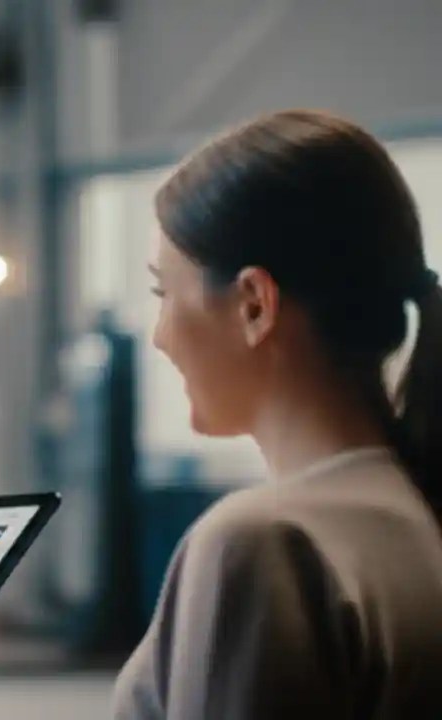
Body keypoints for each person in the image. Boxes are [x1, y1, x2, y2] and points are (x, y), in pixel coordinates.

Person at [113, 109, 442, 719]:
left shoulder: (260, 541)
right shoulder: (415, 513)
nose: (158, 337)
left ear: (254, 304)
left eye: (165, 294)